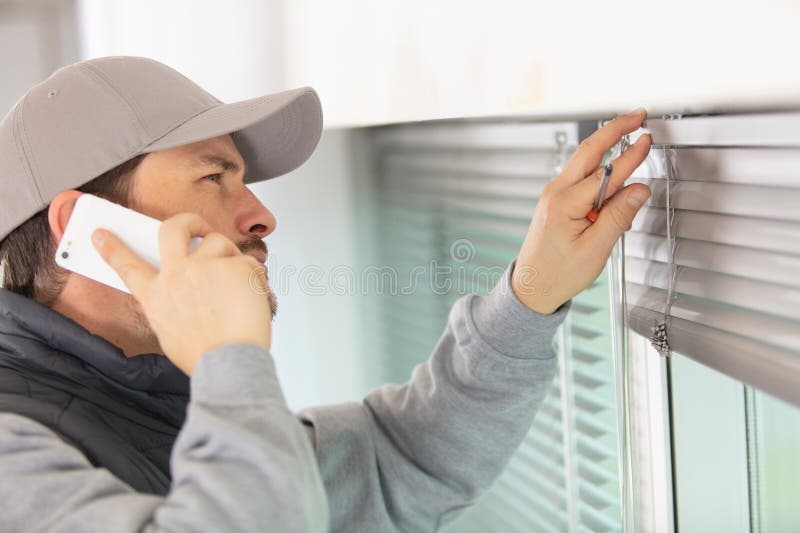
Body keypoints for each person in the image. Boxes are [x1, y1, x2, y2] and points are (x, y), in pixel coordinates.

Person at [0, 56, 651, 532]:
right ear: (82, 231)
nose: (259, 216)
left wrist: (533, 290)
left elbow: (404, 459)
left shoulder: (147, 401)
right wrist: (227, 352)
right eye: (212, 177)